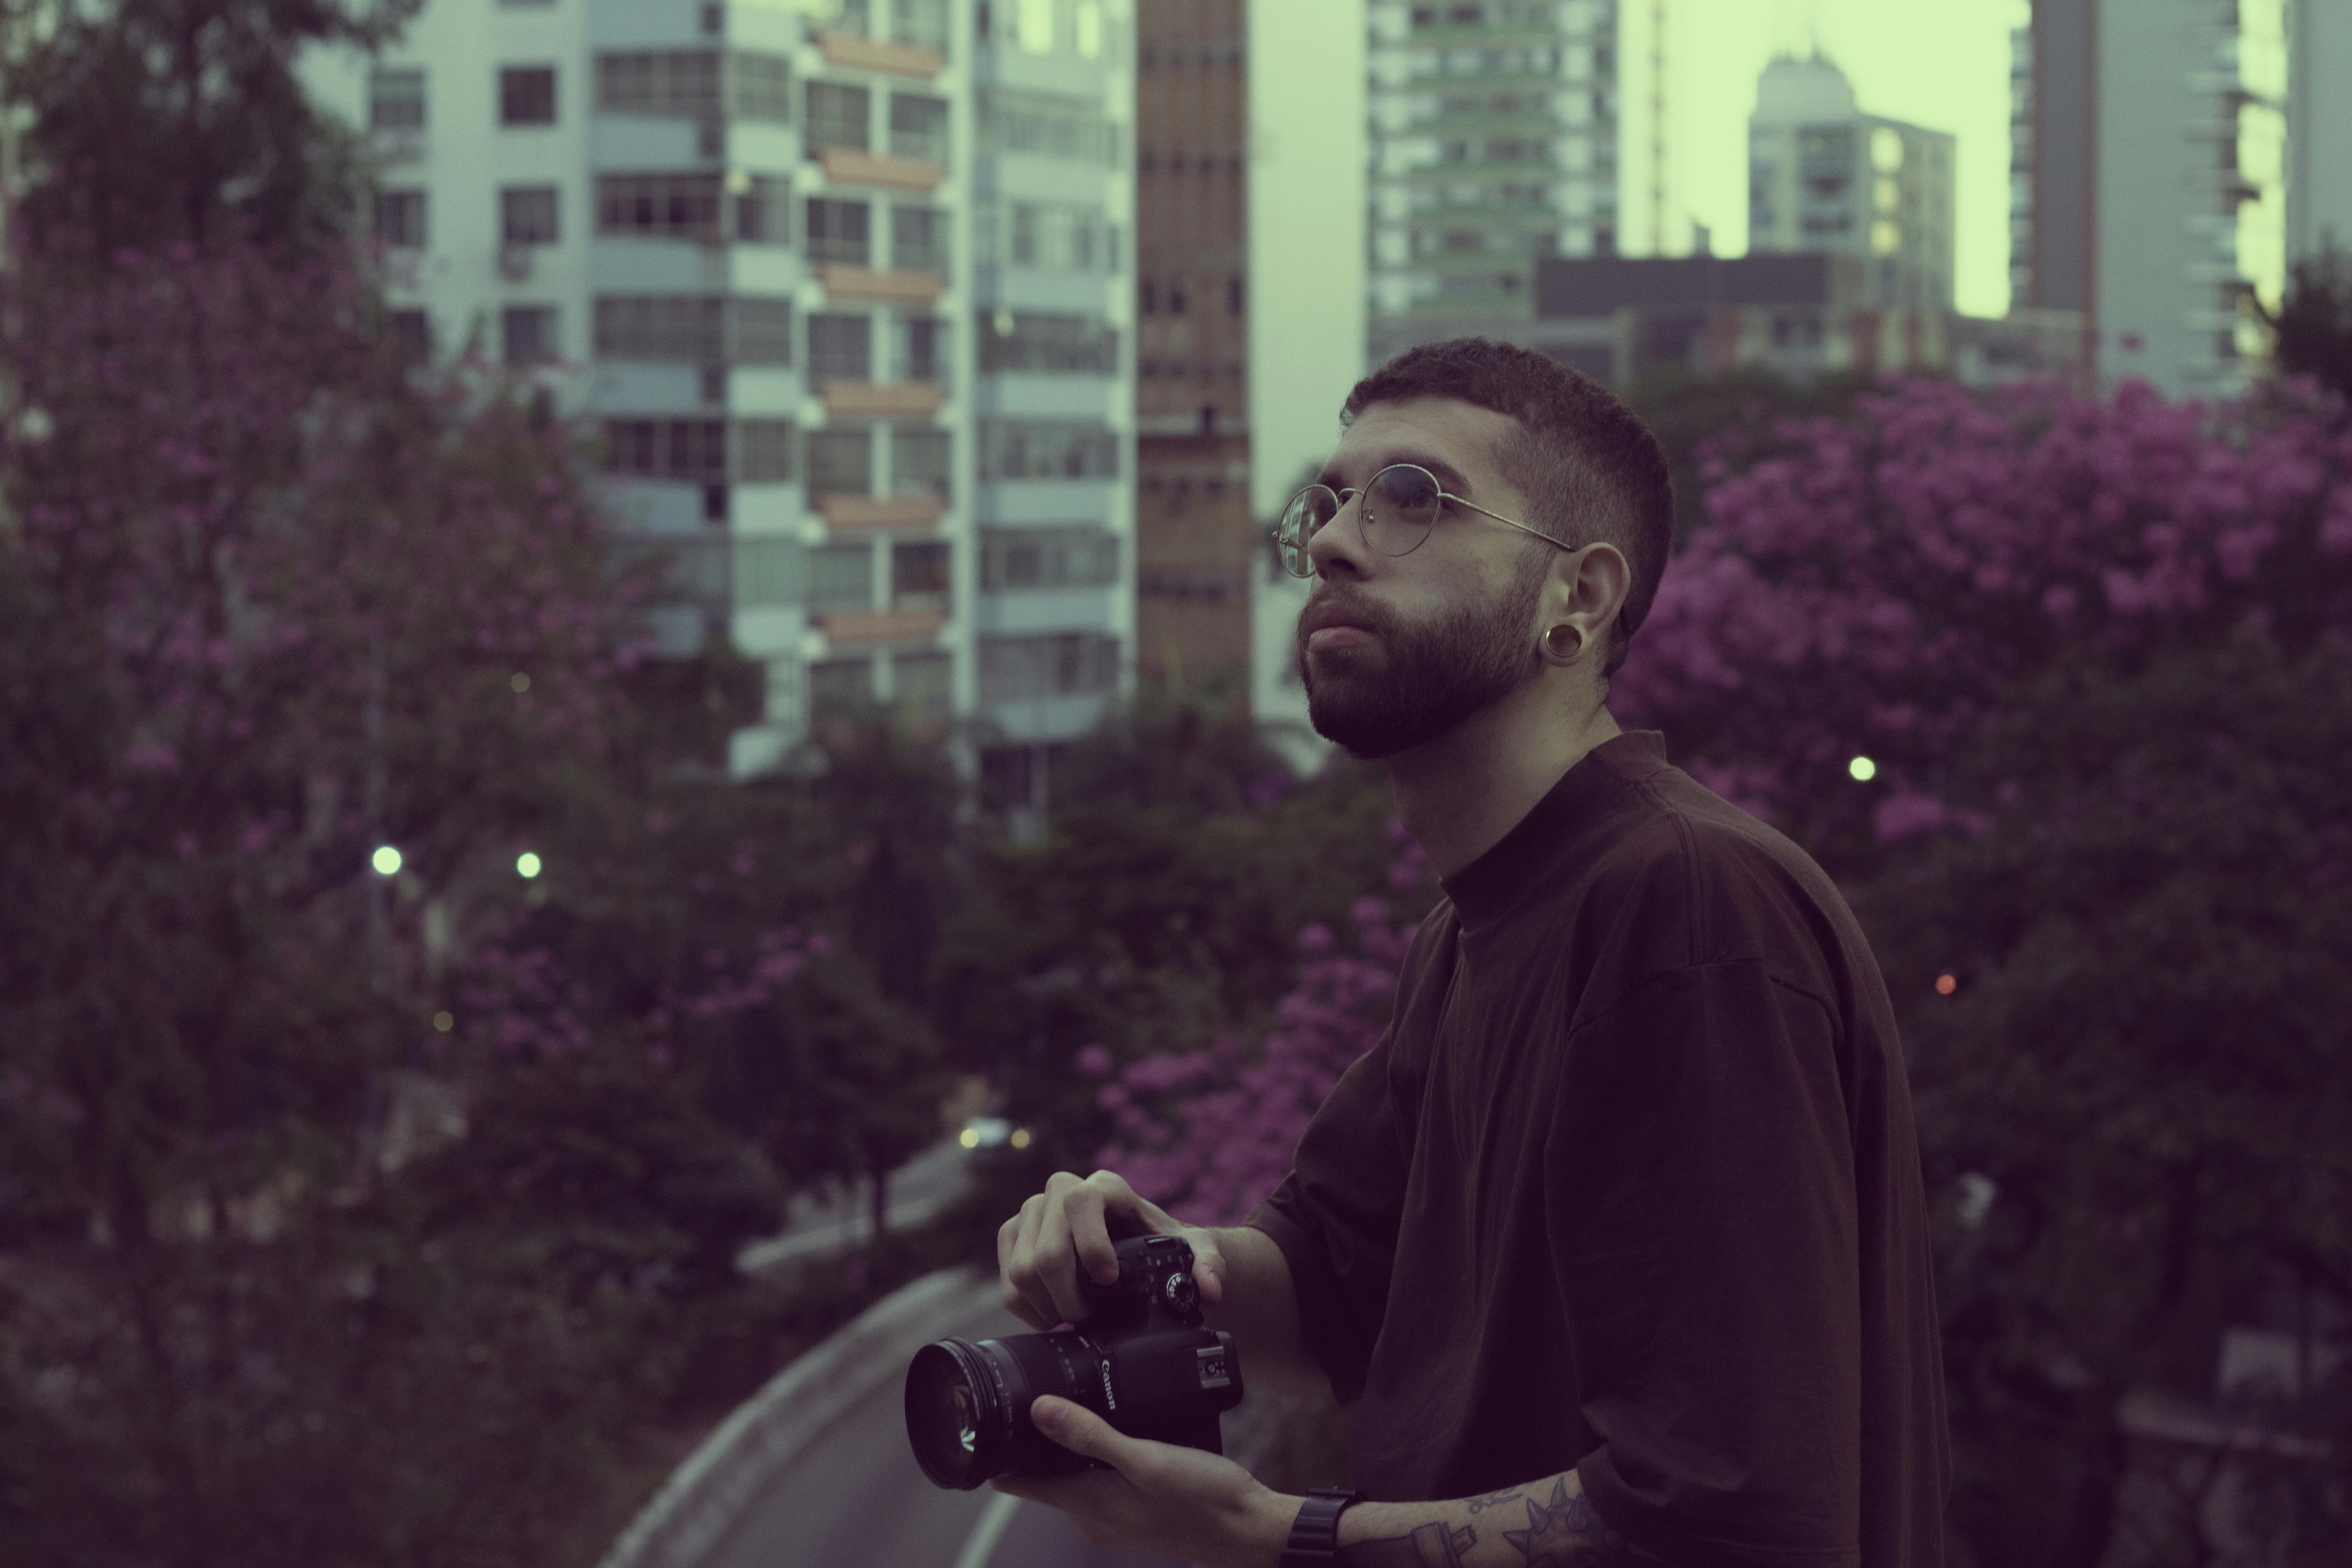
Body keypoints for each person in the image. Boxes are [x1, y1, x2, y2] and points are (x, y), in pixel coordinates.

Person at [992, 339, 1949, 1567]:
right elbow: (1330, 1298)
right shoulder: (1477, 933)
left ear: (1578, 598)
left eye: (1410, 500)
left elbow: (1726, 1517)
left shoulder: (1690, 910)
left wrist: (1275, 1536)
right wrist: (1158, 1265)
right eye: (1328, 503)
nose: (1334, 542)